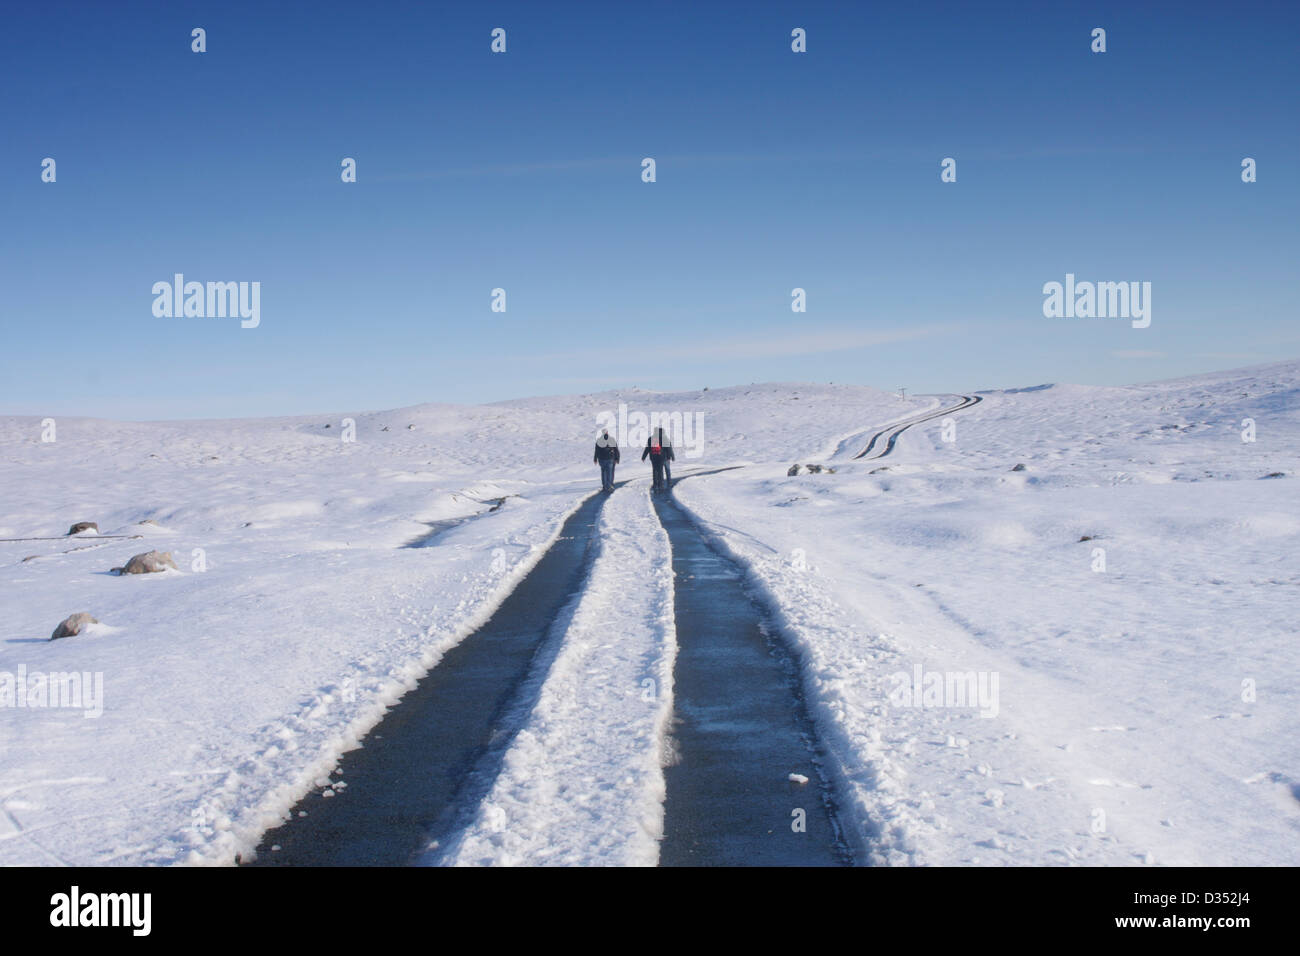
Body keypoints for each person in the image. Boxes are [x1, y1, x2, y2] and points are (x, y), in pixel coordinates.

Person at [642, 426, 675, 492]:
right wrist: (671, 457)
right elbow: (669, 449)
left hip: (653, 457)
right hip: (661, 457)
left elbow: (647, 449)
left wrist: (643, 457)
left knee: (654, 471)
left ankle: (655, 485)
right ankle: (661, 485)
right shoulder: (664, 438)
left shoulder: (650, 439)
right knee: (660, 471)